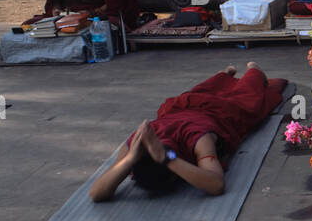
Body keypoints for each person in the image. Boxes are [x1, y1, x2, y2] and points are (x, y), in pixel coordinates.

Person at [89, 62, 288, 201]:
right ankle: (254, 72)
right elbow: (95, 193)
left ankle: (225, 74)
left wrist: (152, 155)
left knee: (200, 92)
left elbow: (217, 185)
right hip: (218, 111)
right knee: (245, 98)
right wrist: (148, 158)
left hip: (184, 106)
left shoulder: (143, 141)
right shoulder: (145, 146)